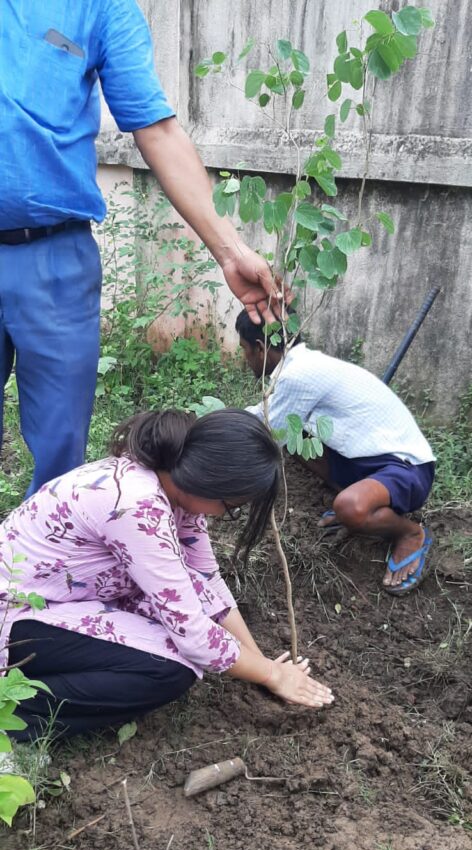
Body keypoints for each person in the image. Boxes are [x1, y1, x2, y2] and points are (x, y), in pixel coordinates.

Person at [0, 2, 284, 498]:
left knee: (61, 445)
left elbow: (157, 128)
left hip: (52, 258)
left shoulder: (100, 8)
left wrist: (230, 250)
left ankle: (39, 561)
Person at [0, 408, 333, 740]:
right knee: (170, 668)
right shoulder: (135, 507)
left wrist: (260, 663)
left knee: (188, 615)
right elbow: (195, 637)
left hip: (62, 597)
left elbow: (207, 581)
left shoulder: (175, 482)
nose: (227, 513)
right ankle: (15, 711)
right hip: (15, 612)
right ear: (211, 481)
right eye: (232, 506)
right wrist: (271, 674)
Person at [237, 309, 435, 596]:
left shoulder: (298, 375)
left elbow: (267, 432)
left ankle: (409, 532)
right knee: (298, 437)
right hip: (367, 461)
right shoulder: (300, 365)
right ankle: (360, 500)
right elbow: (265, 417)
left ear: (260, 348)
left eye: (245, 350)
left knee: (348, 508)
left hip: (407, 469)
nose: (246, 360)